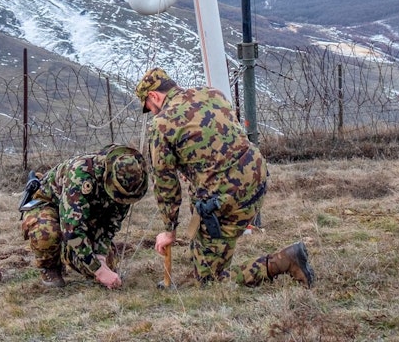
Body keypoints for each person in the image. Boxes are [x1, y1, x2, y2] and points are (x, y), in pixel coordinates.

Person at [135, 67, 315, 288]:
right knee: (203, 239)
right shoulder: (211, 93)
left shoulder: (161, 124)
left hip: (224, 196)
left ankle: (283, 262)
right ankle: (208, 255)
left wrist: (169, 230)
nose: (153, 113)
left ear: (154, 95)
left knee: (210, 282)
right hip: (256, 176)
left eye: (150, 107)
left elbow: (165, 184)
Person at [20, 144, 148, 289]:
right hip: (49, 205)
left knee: (108, 264)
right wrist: (98, 270)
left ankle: (68, 254)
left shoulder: (126, 188)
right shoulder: (80, 174)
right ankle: (50, 266)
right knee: (46, 233)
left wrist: (100, 257)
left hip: (83, 215)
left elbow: (109, 226)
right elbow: (72, 230)